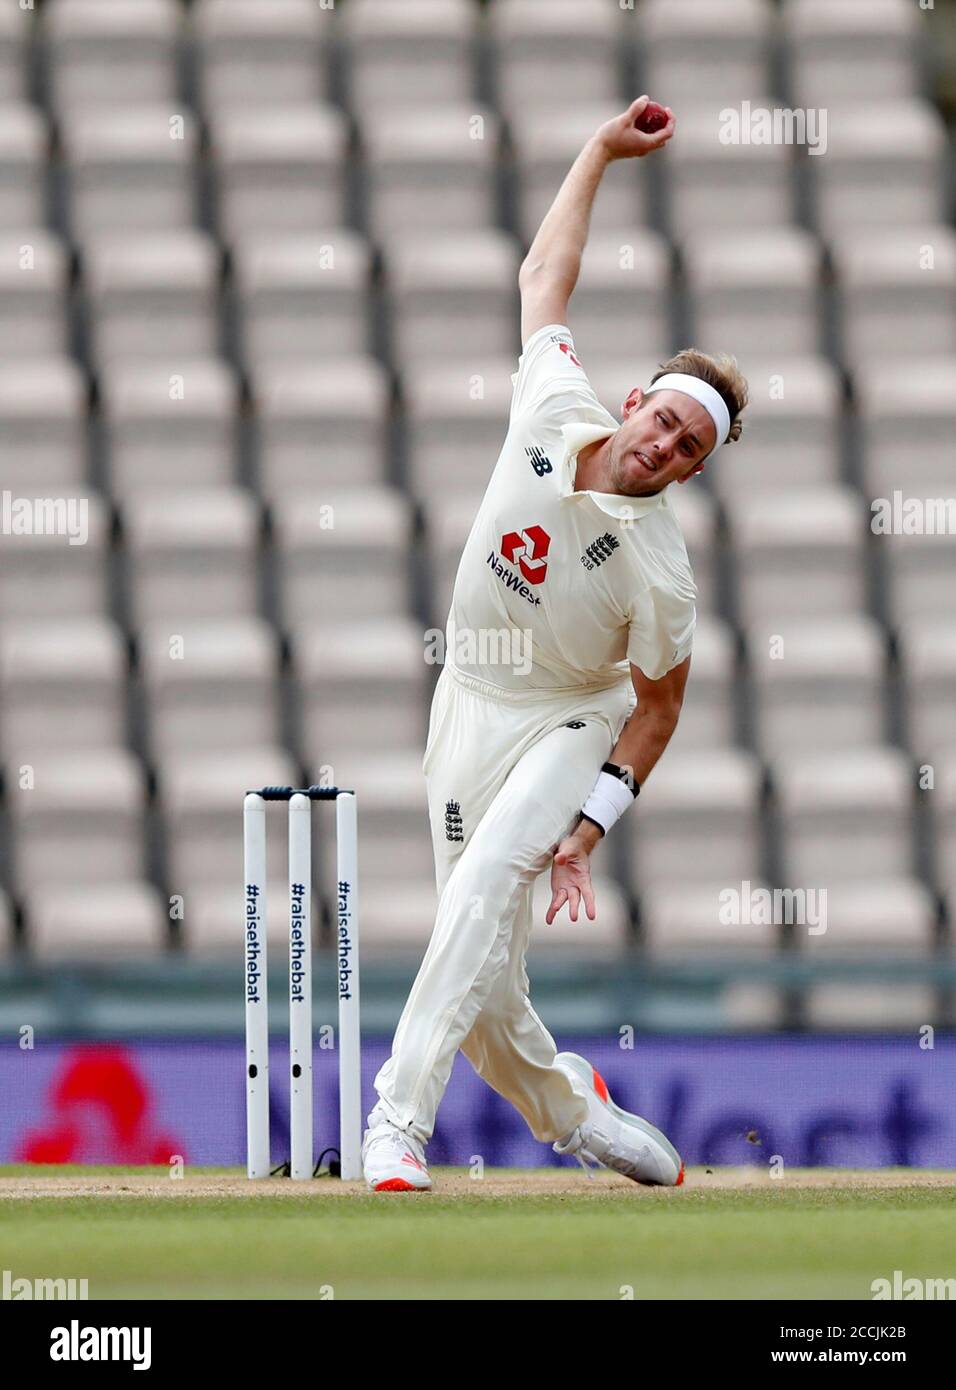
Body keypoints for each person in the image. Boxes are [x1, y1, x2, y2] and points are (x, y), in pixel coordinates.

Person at [362, 97, 749, 1192]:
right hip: (469, 700)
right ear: (632, 402)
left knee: (491, 877)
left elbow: (659, 707)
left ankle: (396, 1123)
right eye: (661, 418)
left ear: (691, 471)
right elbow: (544, 277)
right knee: (481, 970)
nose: (661, 442)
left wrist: (589, 825)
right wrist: (594, 152)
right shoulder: (551, 402)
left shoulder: (661, 570)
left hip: (570, 715)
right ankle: (578, 1114)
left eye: (684, 446)